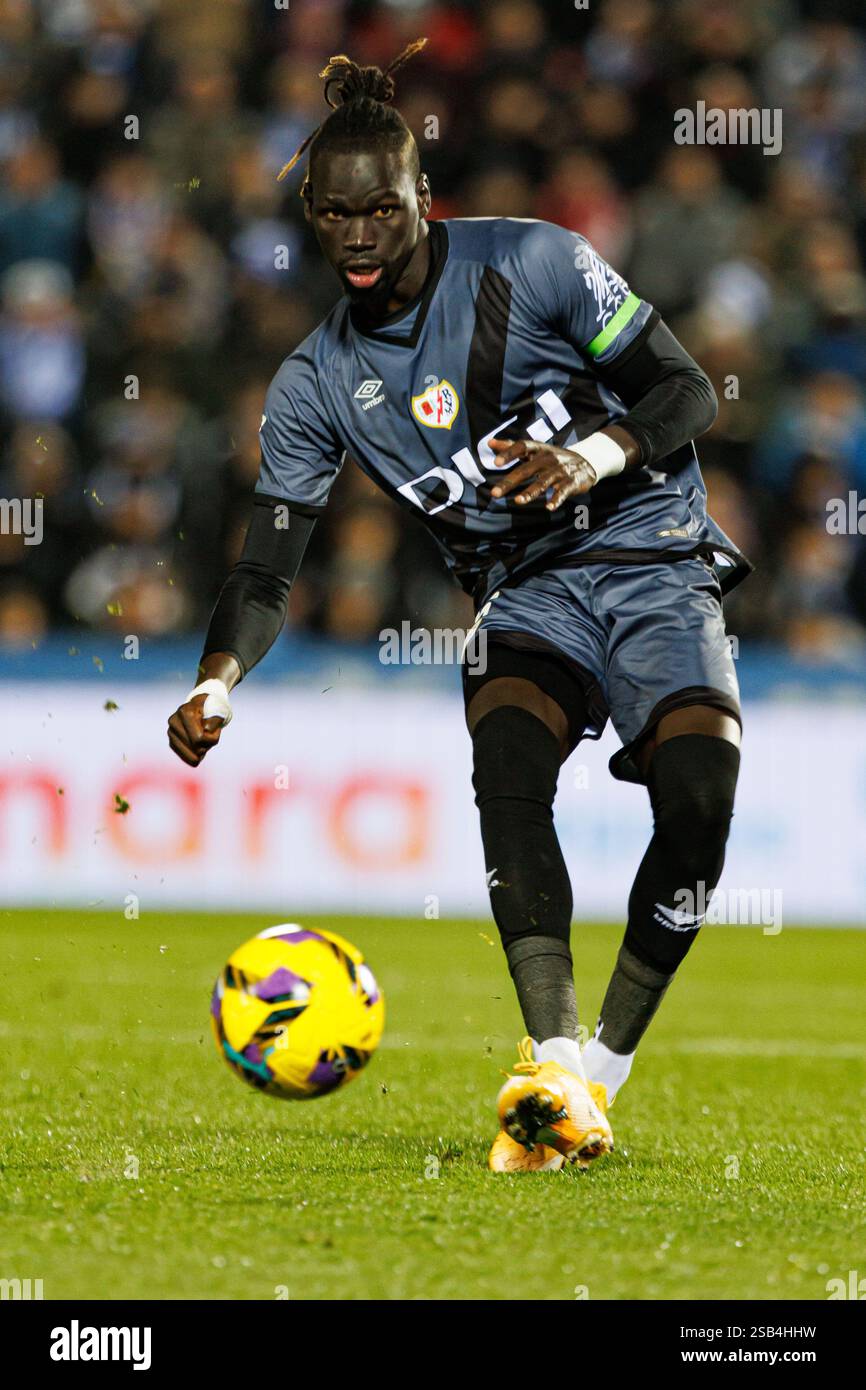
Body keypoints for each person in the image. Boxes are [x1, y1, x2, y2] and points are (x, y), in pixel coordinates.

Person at [167, 40, 750, 1173]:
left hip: (651, 556)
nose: (355, 236)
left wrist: (595, 449)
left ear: (419, 197)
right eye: (331, 217)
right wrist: (215, 676)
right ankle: (551, 1059)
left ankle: (598, 1068)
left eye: (377, 209)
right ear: (311, 214)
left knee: (697, 796)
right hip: (526, 595)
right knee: (507, 766)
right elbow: (265, 566)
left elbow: (687, 392)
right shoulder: (314, 382)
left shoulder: (536, 262)